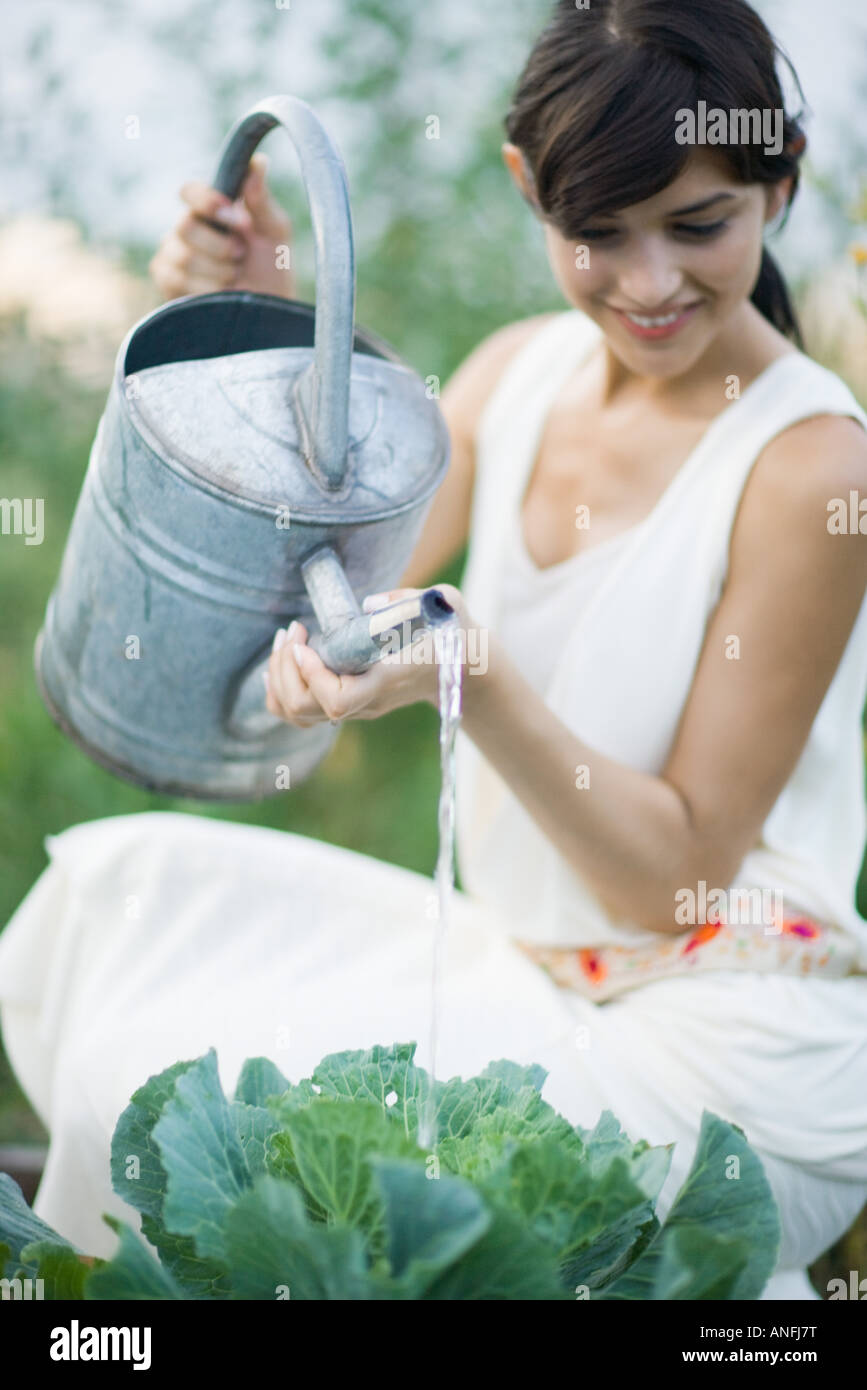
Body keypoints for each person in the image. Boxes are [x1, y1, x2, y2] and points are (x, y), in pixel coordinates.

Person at [2, 0, 867, 1300]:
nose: (647, 284)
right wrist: (269, 332)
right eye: (597, 232)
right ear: (530, 190)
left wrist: (469, 672)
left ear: (777, 179)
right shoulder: (510, 378)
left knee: (259, 1113)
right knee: (125, 905)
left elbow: (675, 880)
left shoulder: (812, 466)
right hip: (524, 969)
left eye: (700, 225)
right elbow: (318, 590)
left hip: (722, 1035)